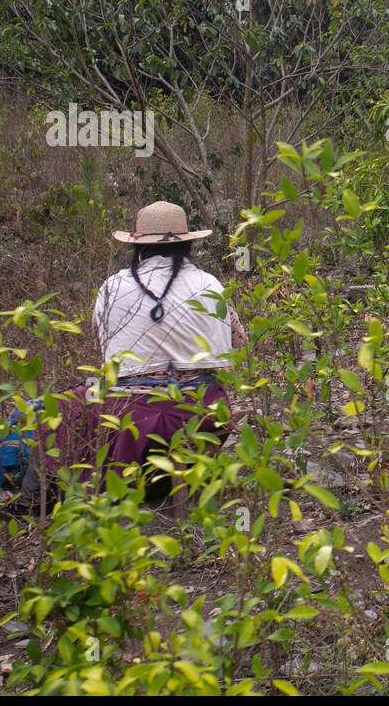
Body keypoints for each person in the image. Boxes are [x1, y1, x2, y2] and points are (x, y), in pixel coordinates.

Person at [14, 201, 246, 511]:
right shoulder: (210, 285)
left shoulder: (112, 287)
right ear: (188, 243)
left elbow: (106, 348)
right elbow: (239, 343)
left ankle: (35, 503)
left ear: (137, 246)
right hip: (201, 412)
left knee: (59, 412)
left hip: (128, 416)